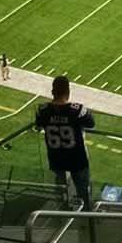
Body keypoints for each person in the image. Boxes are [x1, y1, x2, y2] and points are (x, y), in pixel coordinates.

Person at [36, 76, 95, 210]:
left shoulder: (43, 110)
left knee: (61, 189)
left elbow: (39, 125)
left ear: (52, 92)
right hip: (77, 158)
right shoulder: (77, 110)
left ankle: (62, 211)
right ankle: (87, 218)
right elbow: (91, 124)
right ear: (68, 92)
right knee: (83, 190)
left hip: (56, 157)